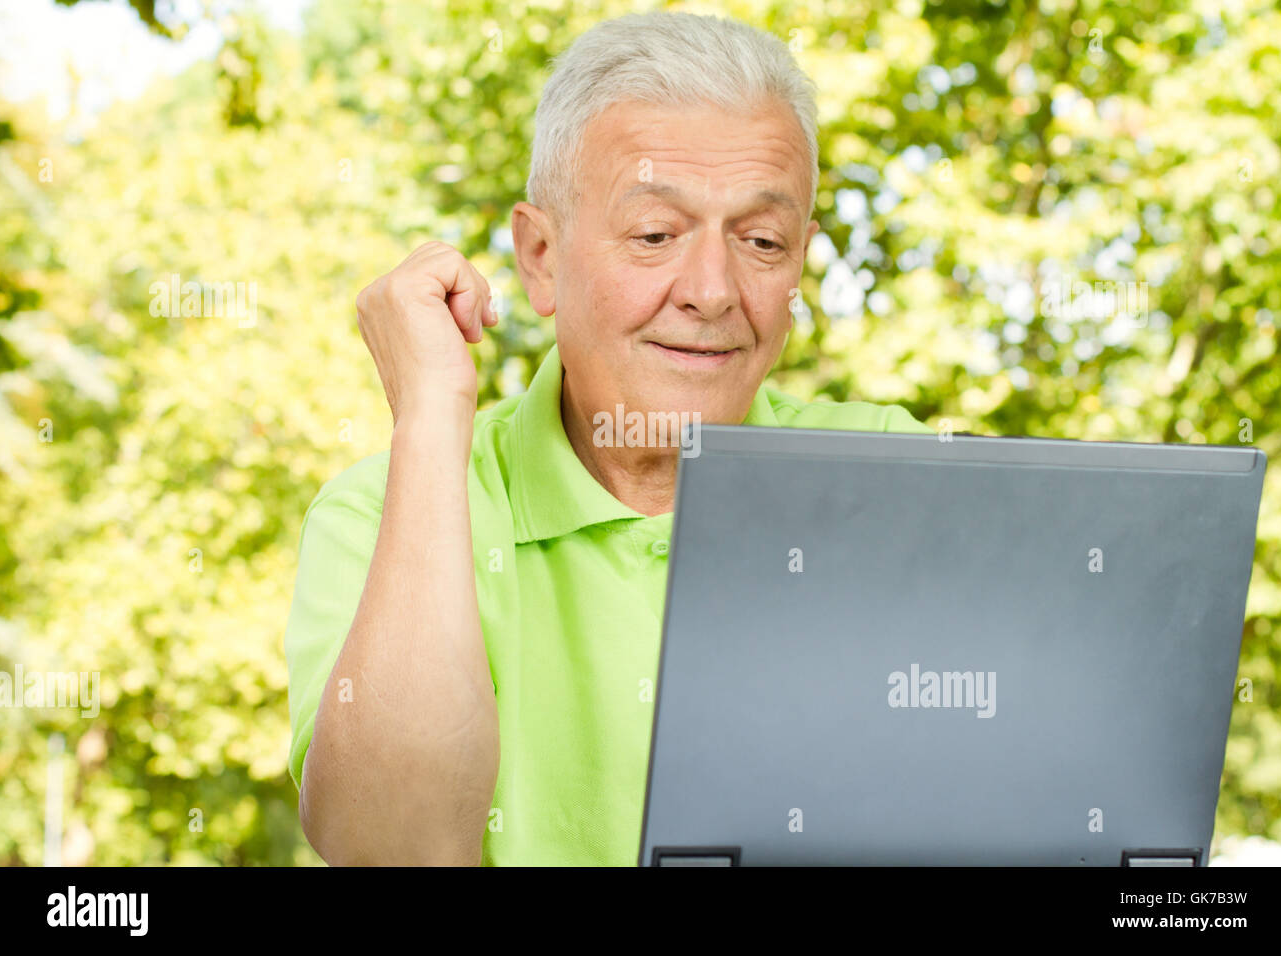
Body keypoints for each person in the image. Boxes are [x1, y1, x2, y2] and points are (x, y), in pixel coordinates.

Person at [284, 10, 932, 866]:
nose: (711, 290)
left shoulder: (893, 473)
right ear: (541, 257)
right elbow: (389, 850)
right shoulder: (382, 510)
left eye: (763, 241)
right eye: (657, 234)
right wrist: (431, 418)